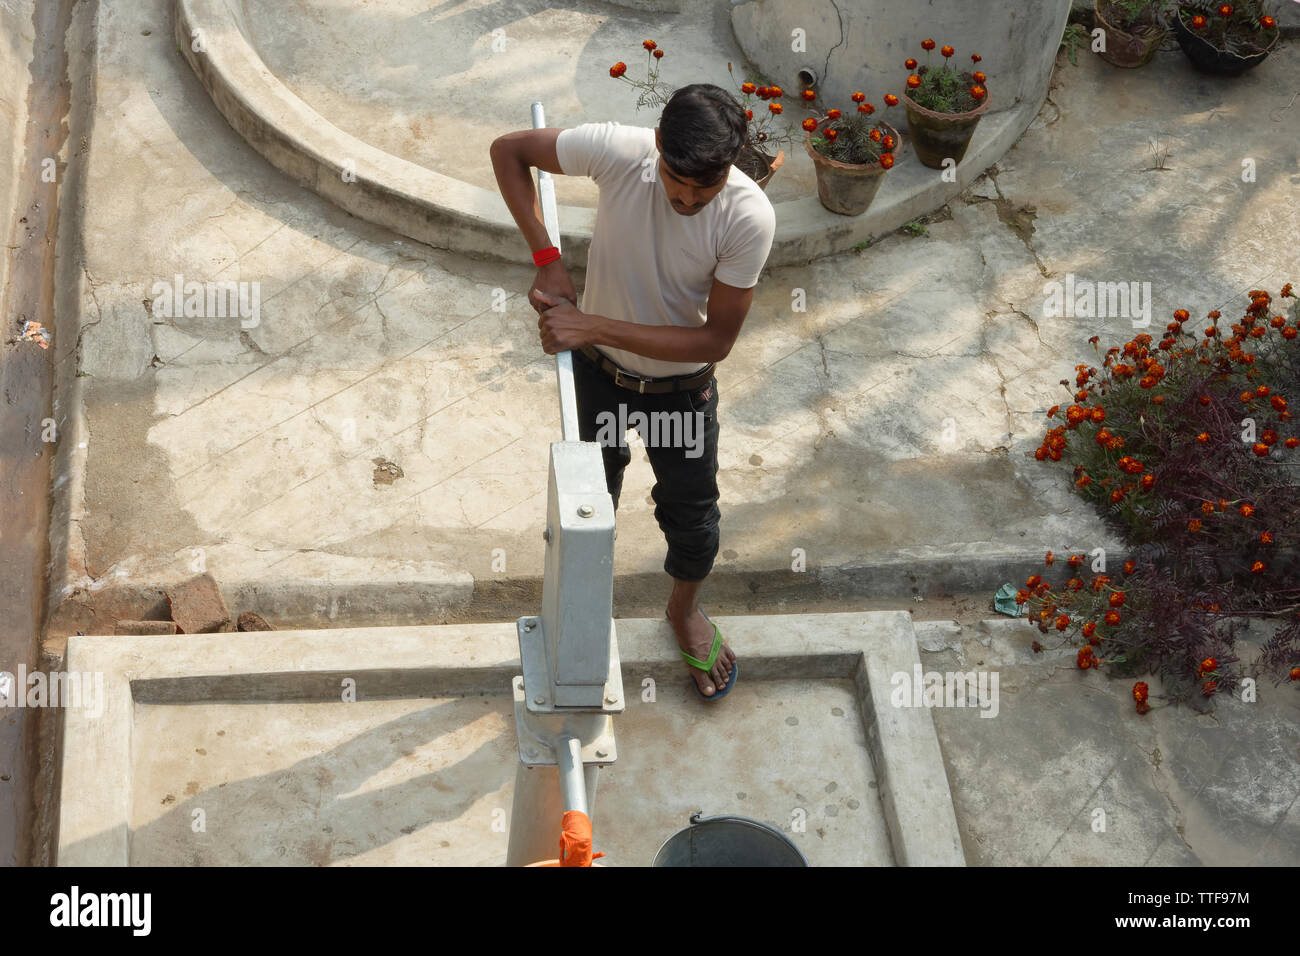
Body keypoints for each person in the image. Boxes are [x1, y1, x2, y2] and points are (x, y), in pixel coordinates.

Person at [489, 84, 776, 699]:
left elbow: (715, 340)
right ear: (657, 148)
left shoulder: (749, 216)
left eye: (707, 187)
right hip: (601, 380)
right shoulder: (619, 152)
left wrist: (588, 322)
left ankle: (682, 612)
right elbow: (508, 152)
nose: (688, 198)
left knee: (694, 519)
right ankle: (585, 623)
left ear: (732, 164)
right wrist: (547, 257)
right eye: (678, 181)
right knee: (589, 513)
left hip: (683, 394)